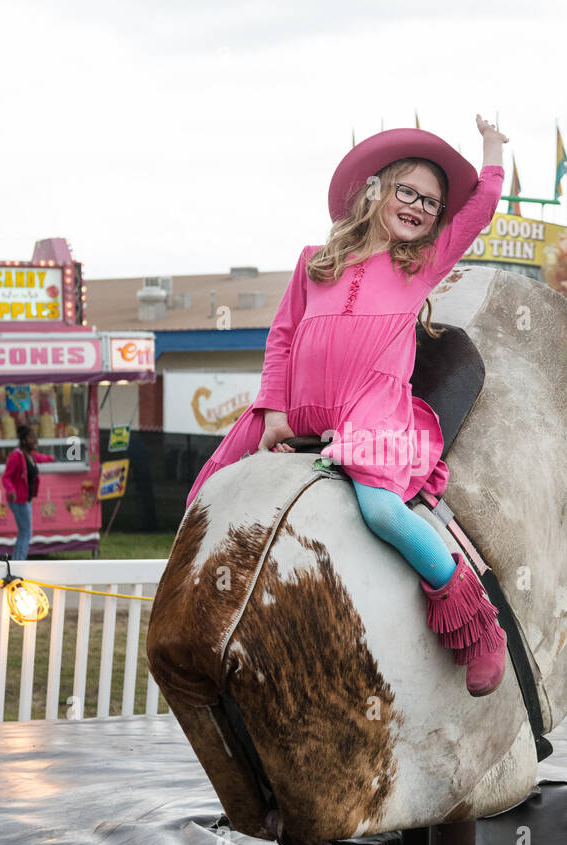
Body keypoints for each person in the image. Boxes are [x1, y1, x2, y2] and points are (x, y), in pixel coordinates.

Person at [185, 117, 510, 696]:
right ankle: (197, 617)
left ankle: (475, 621)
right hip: (300, 407)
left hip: (371, 409)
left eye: (432, 203)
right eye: (407, 191)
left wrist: (492, 149)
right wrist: (276, 412)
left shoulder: (420, 265)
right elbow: (282, 337)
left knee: (382, 512)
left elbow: (481, 207)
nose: (419, 206)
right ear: (377, 191)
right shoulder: (316, 262)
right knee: (207, 496)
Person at [2, 425, 53, 560]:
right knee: (26, 533)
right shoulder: (16, 456)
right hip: (18, 500)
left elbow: (41, 458)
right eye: (32, 438)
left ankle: (16, 562)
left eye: (36, 438)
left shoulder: (30, 456)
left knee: (23, 532)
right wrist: (11, 490)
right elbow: (6, 477)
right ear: (24, 441)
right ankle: (19, 562)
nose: (35, 440)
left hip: (25, 499)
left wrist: (55, 458)